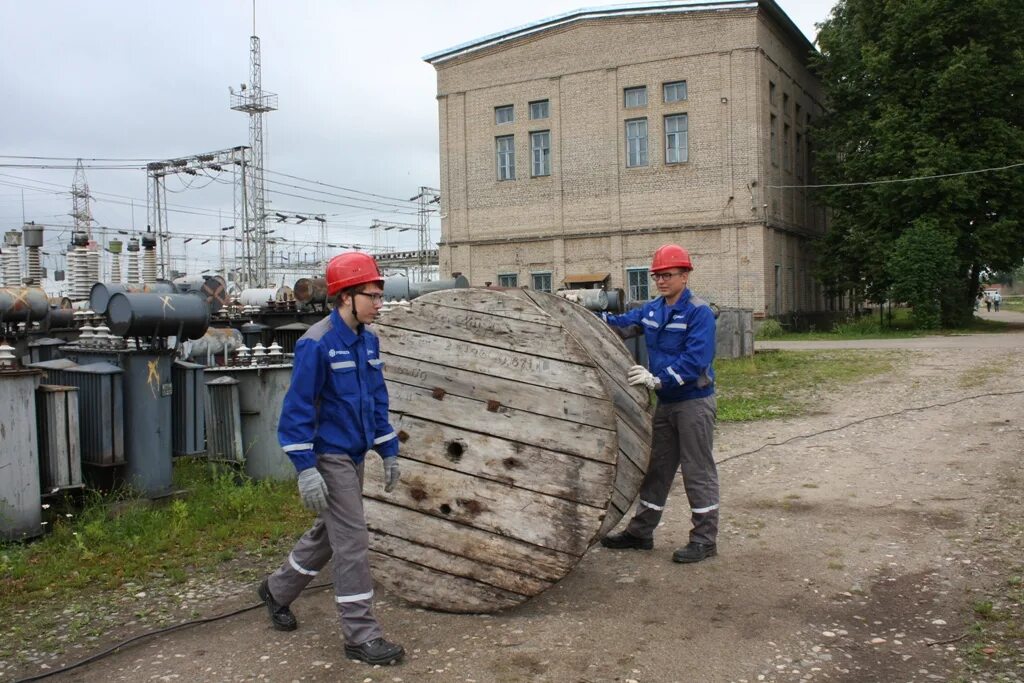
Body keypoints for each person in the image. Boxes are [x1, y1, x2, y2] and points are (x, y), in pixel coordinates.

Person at [258, 251, 405, 666]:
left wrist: (389, 451)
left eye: (380, 295)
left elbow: (376, 400)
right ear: (345, 297)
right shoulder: (316, 343)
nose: (380, 303)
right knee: (353, 539)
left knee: (331, 531)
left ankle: (277, 590)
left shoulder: (367, 340)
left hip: (354, 453)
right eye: (372, 295)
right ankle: (360, 635)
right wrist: (306, 469)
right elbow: (297, 412)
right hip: (329, 455)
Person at [600, 244, 719, 564]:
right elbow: (619, 325)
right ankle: (640, 533)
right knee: (657, 469)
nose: (662, 281)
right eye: (658, 276)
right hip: (667, 404)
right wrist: (588, 311)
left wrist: (658, 380)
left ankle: (704, 539)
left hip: (694, 403)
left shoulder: (699, 312)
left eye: (668, 275)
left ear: (685, 275)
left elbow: (696, 361)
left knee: (698, 470)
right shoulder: (653, 310)